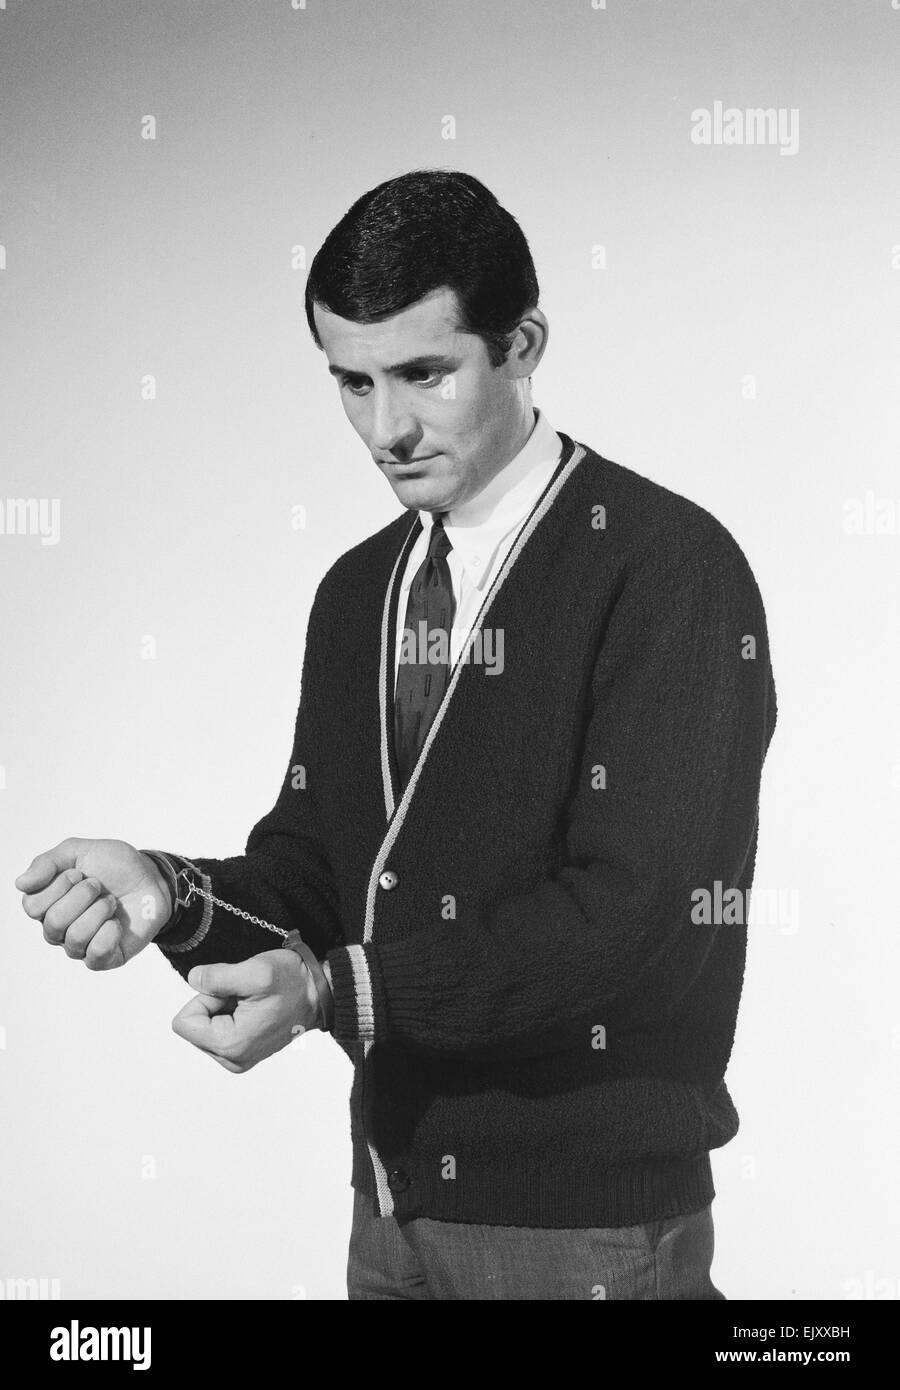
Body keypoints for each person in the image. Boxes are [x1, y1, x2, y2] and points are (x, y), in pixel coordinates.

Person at [16, 168, 777, 1300]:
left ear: (522, 344)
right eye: (352, 382)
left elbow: (635, 914)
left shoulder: (668, 569)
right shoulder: (357, 590)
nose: (387, 428)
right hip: (389, 1217)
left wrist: (336, 992)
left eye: (425, 373)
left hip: (589, 1241)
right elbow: (321, 873)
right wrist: (170, 893)